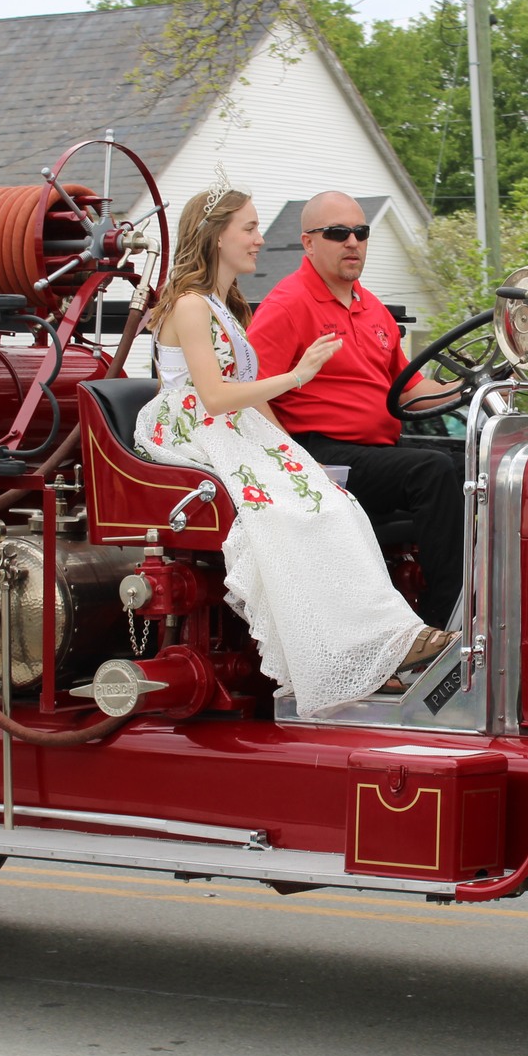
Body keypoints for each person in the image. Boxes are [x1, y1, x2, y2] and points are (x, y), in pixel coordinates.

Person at [135, 184, 456, 715]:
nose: (261, 239)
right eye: (250, 228)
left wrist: (299, 459)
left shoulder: (224, 307)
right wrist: (298, 376)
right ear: (216, 237)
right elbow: (212, 396)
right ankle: (348, 649)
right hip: (197, 429)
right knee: (289, 513)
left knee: (335, 504)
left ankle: (388, 642)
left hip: (232, 427)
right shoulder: (193, 307)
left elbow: (243, 391)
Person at [248, 191, 465, 624]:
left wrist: (472, 389)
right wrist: (291, 462)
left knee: (475, 463)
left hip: (373, 452)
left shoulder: (372, 308)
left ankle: (486, 600)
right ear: (308, 243)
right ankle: (447, 622)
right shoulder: (287, 304)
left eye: (360, 233)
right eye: (337, 233)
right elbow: (251, 393)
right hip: (320, 455)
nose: (352, 242)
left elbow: (408, 390)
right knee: (432, 471)